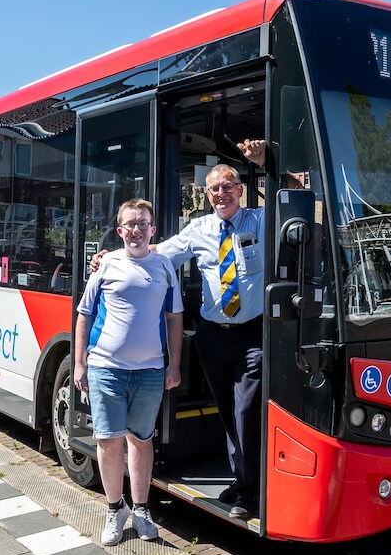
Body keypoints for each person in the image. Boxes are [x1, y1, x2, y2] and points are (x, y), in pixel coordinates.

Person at [91, 139, 268, 519]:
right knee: (227, 411)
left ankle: (249, 490)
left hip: (252, 335)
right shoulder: (198, 229)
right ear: (207, 194)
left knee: (246, 410)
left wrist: (267, 162)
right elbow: (156, 250)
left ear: (240, 190)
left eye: (228, 186)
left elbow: (304, 198)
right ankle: (242, 481)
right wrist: (111, 256)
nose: (221, 194)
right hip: (212, 335)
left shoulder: (260, 221)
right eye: (214, 188)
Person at [74, 198, 183, 546]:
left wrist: (174, 364)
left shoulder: (164, 266)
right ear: (120, 231)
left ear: (153, 230)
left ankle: (141, 509)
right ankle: (114, 509)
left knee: (141, 439)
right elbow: (84, 313)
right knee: (108, 441)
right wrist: (79, 362)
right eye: (130, 224)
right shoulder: (105, 264)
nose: (136, 230)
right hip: (106, 368)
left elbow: (174, 318)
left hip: (150, 371)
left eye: (142, 224)